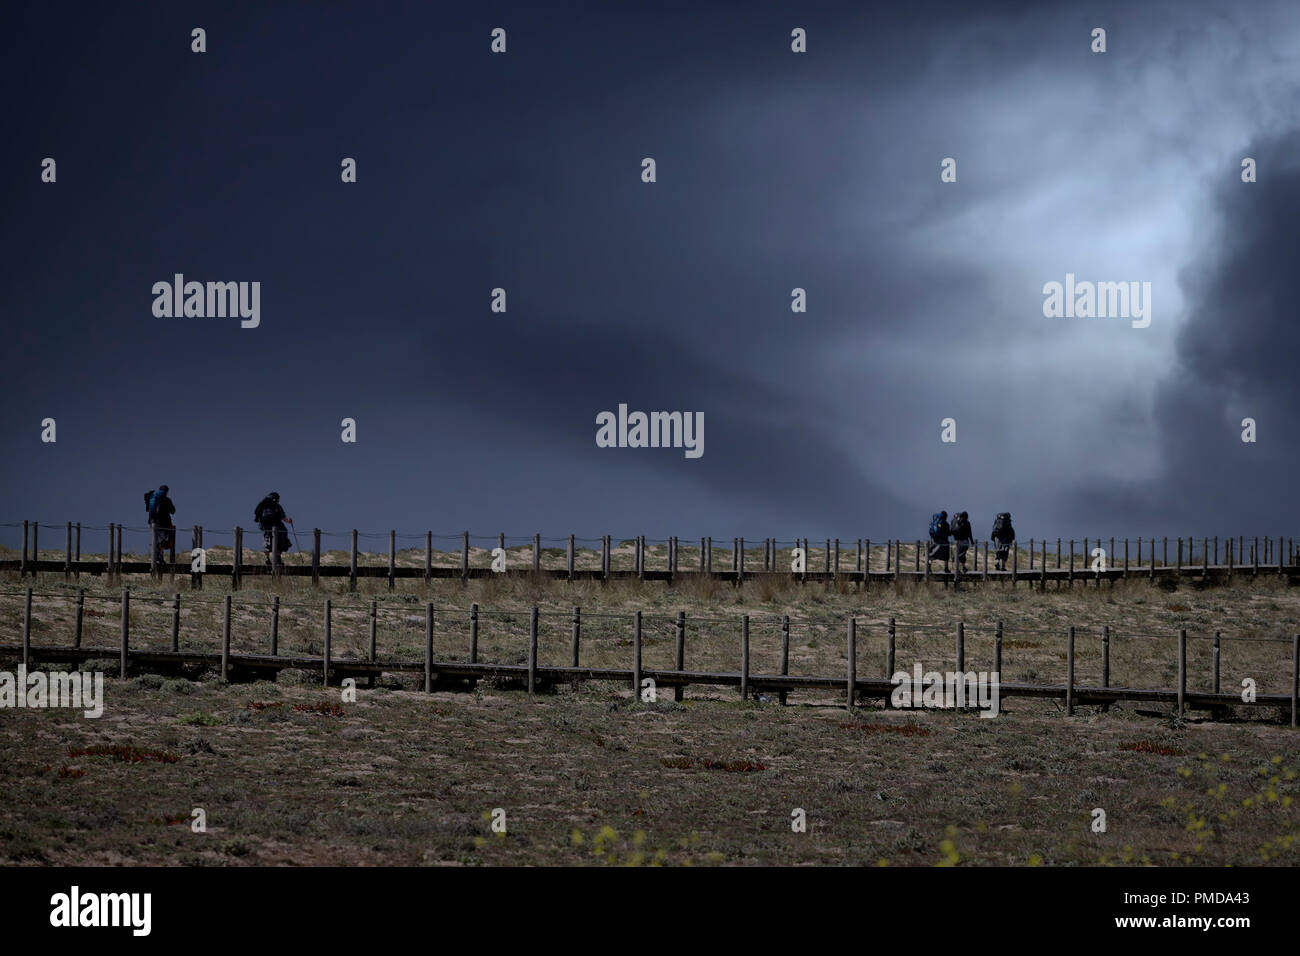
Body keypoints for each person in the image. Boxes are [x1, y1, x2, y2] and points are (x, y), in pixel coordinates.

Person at [254, 492, 293, 566]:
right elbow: (283, 517)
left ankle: (267, 559)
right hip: (277, 526)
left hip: (266, 526)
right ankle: (278, 559)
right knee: (279, 541)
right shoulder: (277, 506)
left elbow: (258, 516)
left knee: (267, 541)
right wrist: (289, 521)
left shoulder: (263, 505)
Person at [146, 484, 175, 565]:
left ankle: (157, 558)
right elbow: (173, 511)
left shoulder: (154, 498)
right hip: (165, 523)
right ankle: (159, 558)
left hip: (154, 522)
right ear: (166, 492)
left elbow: (150, 510)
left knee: (156, 540)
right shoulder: (167, 500)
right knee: (163, 541)